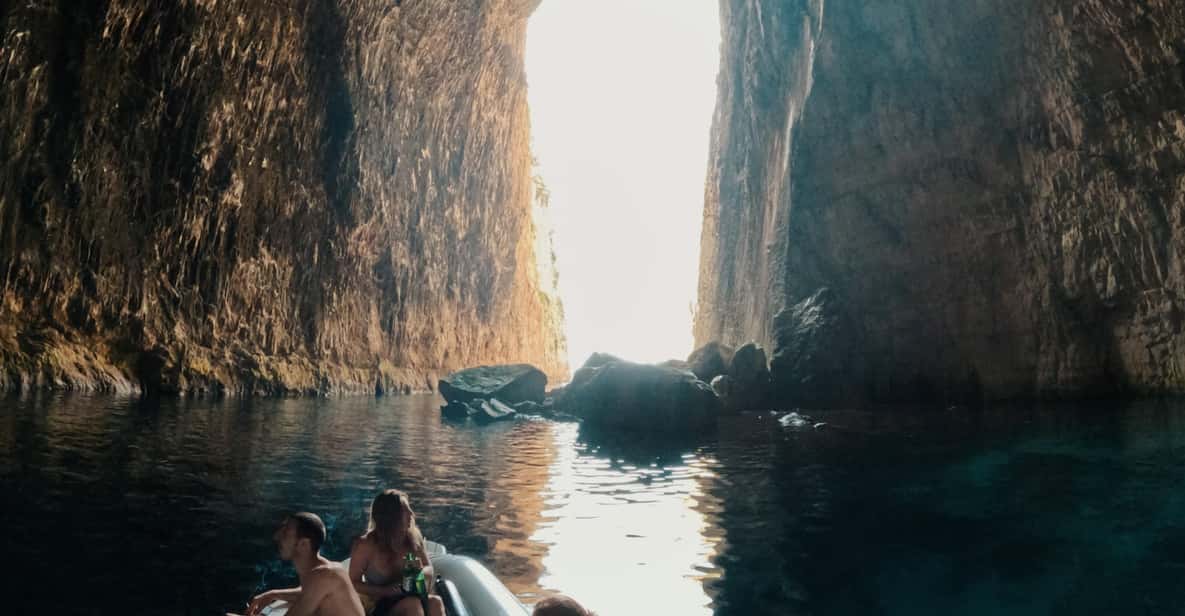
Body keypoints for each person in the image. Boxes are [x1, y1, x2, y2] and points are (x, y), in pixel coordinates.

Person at [229, 512, 365, 616]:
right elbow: (306, 593)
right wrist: (271, 594)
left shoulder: (324, 575)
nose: (276, 537)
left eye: (285, 533)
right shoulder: (324, 571)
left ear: (304, 544)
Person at [348, 490, 445, 616]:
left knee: (436, 602)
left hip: (411, 596)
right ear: (391, 517)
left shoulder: (414, 538)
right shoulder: (365, 545)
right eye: (405, 510)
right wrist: (385, 591)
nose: (412, 514)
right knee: (412, 605)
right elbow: (352, 582)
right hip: (380, 602)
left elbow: (429, 568)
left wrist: (418, 574)